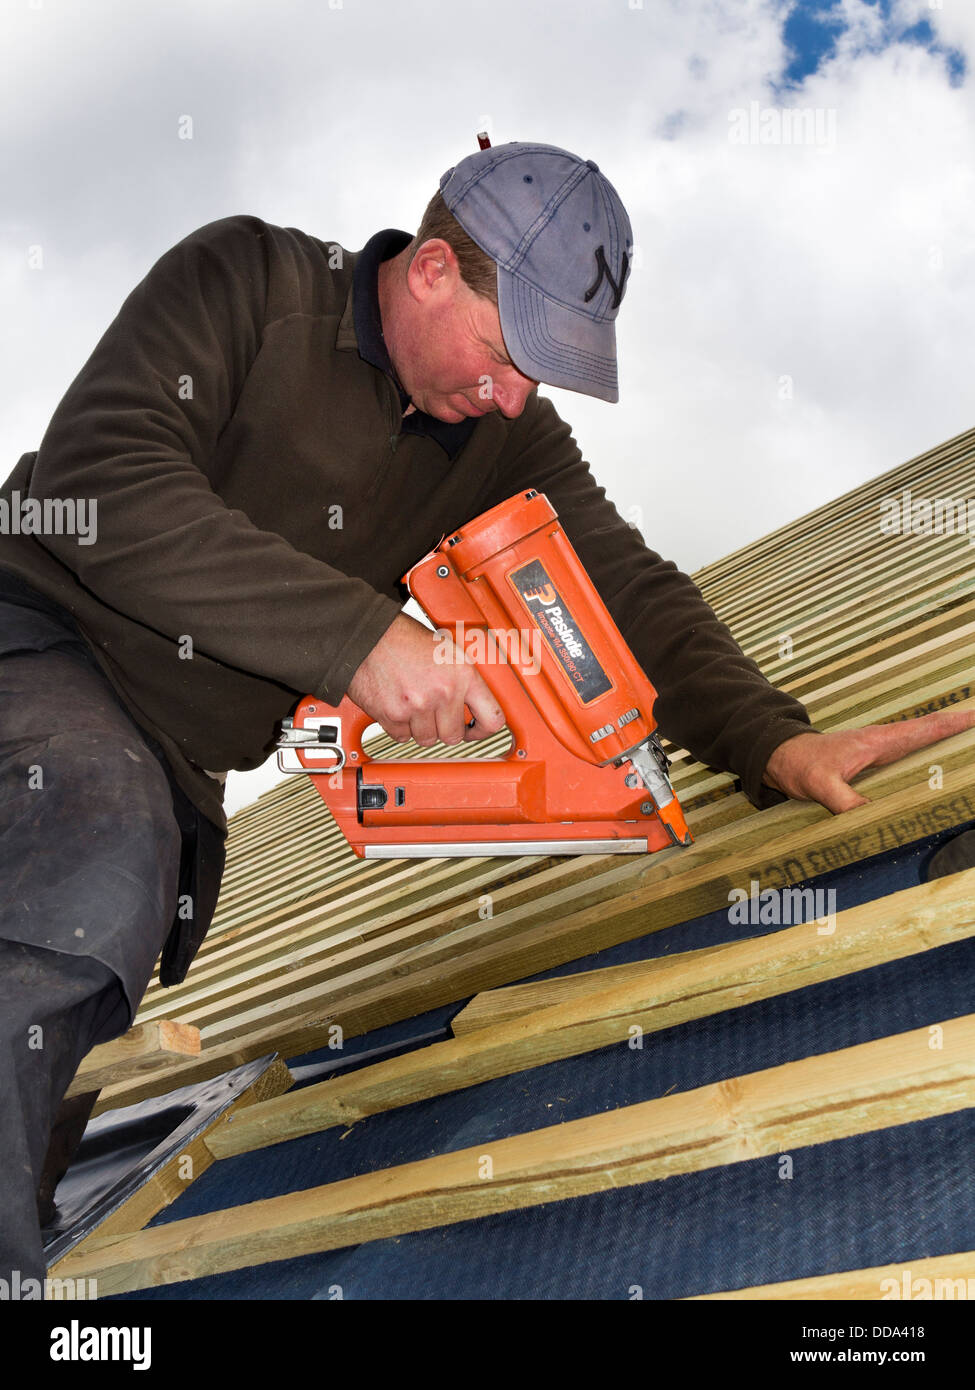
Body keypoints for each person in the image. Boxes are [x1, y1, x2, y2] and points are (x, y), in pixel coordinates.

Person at [0, 140, 969, 1288]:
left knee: (97, 937)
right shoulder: (248, 284)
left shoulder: (503, 438)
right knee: (99, 841)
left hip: (172, 762)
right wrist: (358, 639)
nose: (514, 395)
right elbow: (106, 485)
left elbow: (625, 585)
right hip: (36, 638)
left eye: (540, 378)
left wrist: (776, 737)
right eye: (510, 355)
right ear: (430, 274)